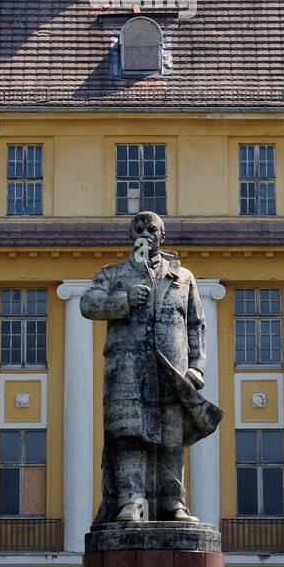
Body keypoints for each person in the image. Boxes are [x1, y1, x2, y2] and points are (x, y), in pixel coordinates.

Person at [80, 210, 221, 523]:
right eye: (139, 227)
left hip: (172, 370)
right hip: (128, 370)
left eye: (151, 227)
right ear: (132, 236)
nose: (145, 231)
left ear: (162, 236)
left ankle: (173, 503)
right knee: (131, 436)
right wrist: (124, 300)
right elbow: (87, 305)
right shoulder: (113, 273)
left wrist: (196, 367)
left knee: (171, 440)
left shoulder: (183, 278)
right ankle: (131, 503)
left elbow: (197, 324)